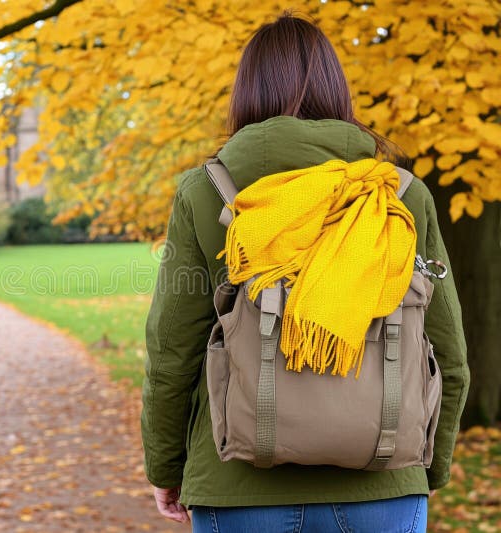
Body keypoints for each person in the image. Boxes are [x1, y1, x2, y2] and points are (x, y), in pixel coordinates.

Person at [140, 12, 469, 533]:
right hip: (381, 484)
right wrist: (431, 464)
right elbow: (448, 352)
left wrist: (165, 467)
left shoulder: (207, 193)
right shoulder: (402, 195)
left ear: (245, 93)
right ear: (338, 91)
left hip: (236, 488)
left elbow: (172, 352)